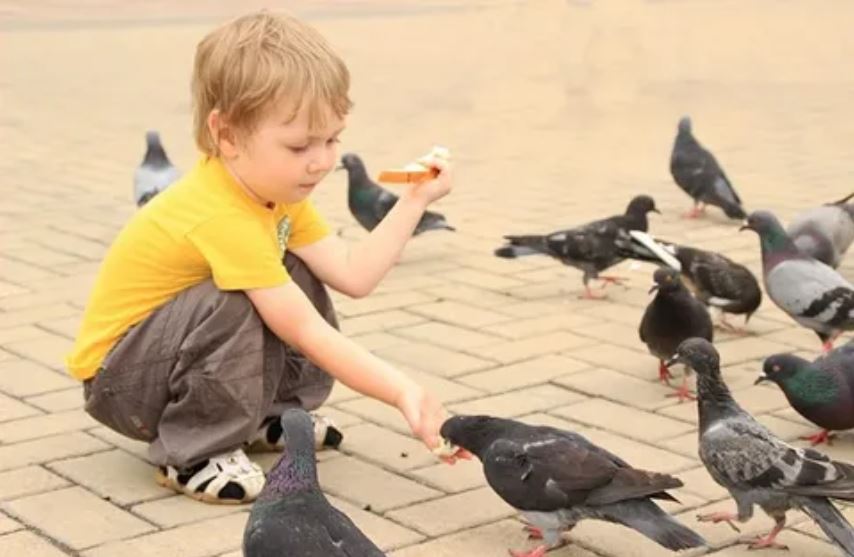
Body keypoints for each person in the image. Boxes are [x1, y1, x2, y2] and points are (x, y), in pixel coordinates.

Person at [66, 10, 465, 504]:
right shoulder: (218, 212)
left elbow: (352, 274)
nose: (321, 160)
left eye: (332, 138)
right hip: (122, 385)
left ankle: (271, 413)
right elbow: (305, 330)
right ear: (227, 135)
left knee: (291, 270)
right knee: (237, 294)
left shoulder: (276, 195)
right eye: (299, 145)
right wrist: (402, 390)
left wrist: (414, 202)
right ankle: (193, 451)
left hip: (161, 363)